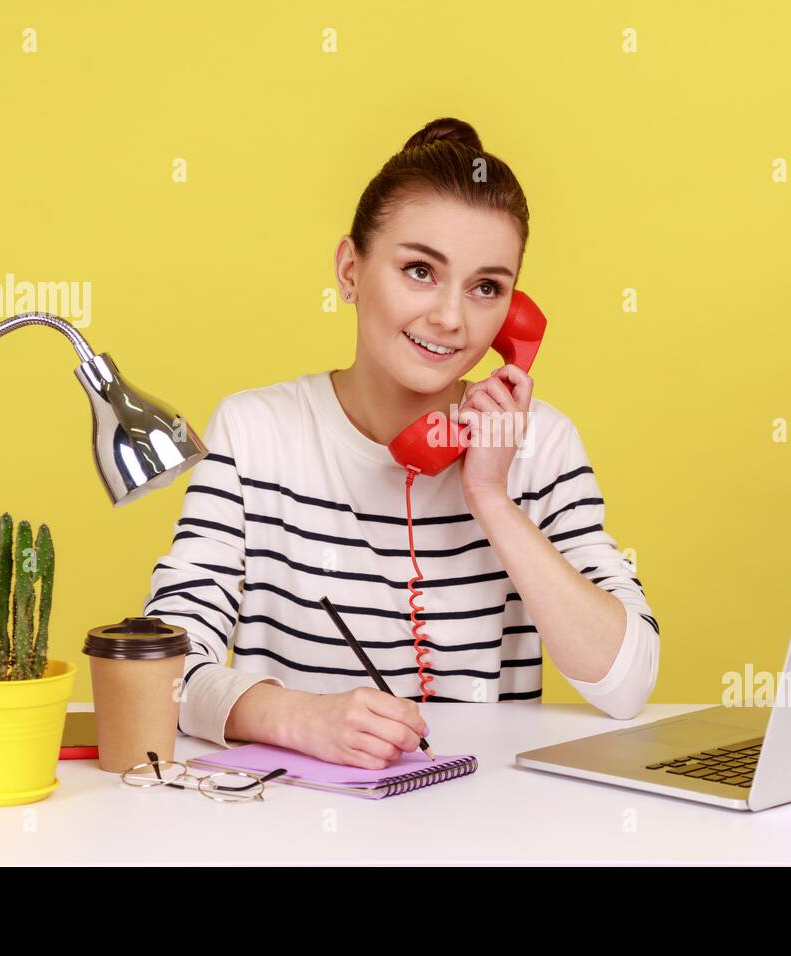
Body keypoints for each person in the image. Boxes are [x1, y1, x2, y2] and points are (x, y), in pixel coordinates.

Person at [144, 116, 659, 769]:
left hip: (487, 824)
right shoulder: (255, 434)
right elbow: (159, 666)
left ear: (513, 314)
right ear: (350, 270)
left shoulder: (542, 444)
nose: (450, 317)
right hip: (296, 823)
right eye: (420, 270)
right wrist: (294, 715)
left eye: (486, 287)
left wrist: (491, 497)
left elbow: (628, 681)